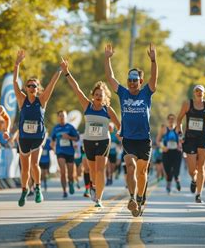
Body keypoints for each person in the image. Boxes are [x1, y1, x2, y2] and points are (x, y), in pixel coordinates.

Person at [104, 43, 158, 216]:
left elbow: (154, 78)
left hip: (144, 140)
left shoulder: (146, 93)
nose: (132, 83)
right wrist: (107, 59)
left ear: (140, 82)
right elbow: (110, 77)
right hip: (128, 139)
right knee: (130, 166)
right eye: (130, 80)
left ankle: (141, 197)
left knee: (142, 172)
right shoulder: (123, 93)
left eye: (135, 80)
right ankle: (132, 197)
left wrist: (153, 61)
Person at [62, 58, 121, 207]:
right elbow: (76, 89)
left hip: (103, 142)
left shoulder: (108, 110)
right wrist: (67, 72)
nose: (99, 96)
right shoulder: (86, 105)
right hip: (88, 142)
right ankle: (94, 187)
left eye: (101, 94)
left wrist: (118, 130)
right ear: (93, 95)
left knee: (101, 170)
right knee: (93, 172)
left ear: (105, 96)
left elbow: (119, 124)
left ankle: (99, 199)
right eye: (96, 94)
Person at [13, 49, 62, 206]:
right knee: (25, 167)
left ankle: (39, 188)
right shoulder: (22, 100)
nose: (32, 88)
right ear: (26, 88)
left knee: (34, 163)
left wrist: (59, 70)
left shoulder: (42, 100)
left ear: (37, 88)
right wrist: (17, 64)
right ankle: (24, 190)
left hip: (38, 137)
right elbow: (14, 82)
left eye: (34, 86)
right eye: (29, 86)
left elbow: (52, 85)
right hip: (24, 137)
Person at [176, 85, 205, 203]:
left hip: (203, 139)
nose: (199, 93)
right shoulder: (187, 104)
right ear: (194, 93)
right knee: (191, 169)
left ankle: (199, 194)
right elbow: (179, 119)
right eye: (197, 91)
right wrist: (180, 134)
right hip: (189, 139)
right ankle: (194, 180)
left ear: (204, 93)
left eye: (201, 91)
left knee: (201, 167)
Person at [51, 110, 80, 198]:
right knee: (63, 172)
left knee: (70, 174)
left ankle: (71, 182)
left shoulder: (70, 127)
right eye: (60, 116)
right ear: (58, 117)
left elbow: (77, 138)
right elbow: (52, 140)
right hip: (60, 152)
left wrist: (69, 137)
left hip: (70, 152)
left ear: (66, 117)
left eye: (63, 116)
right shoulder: (55, 128)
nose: (62, 117)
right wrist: (53, 147)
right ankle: (64, 191)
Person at [156, 114, 183, 194]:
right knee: (167, 171)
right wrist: (162, 147)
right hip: (166, 152)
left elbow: (182, 139)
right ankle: (168, 184)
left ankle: (177, 180)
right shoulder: (163, 128)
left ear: (175, 120)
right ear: (167, 120)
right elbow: (158, 140)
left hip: (176, 152)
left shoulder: (178, 128)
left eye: (173, 119)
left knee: (176, 169)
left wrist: (180, 145)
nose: (171, 120)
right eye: (170, 119)